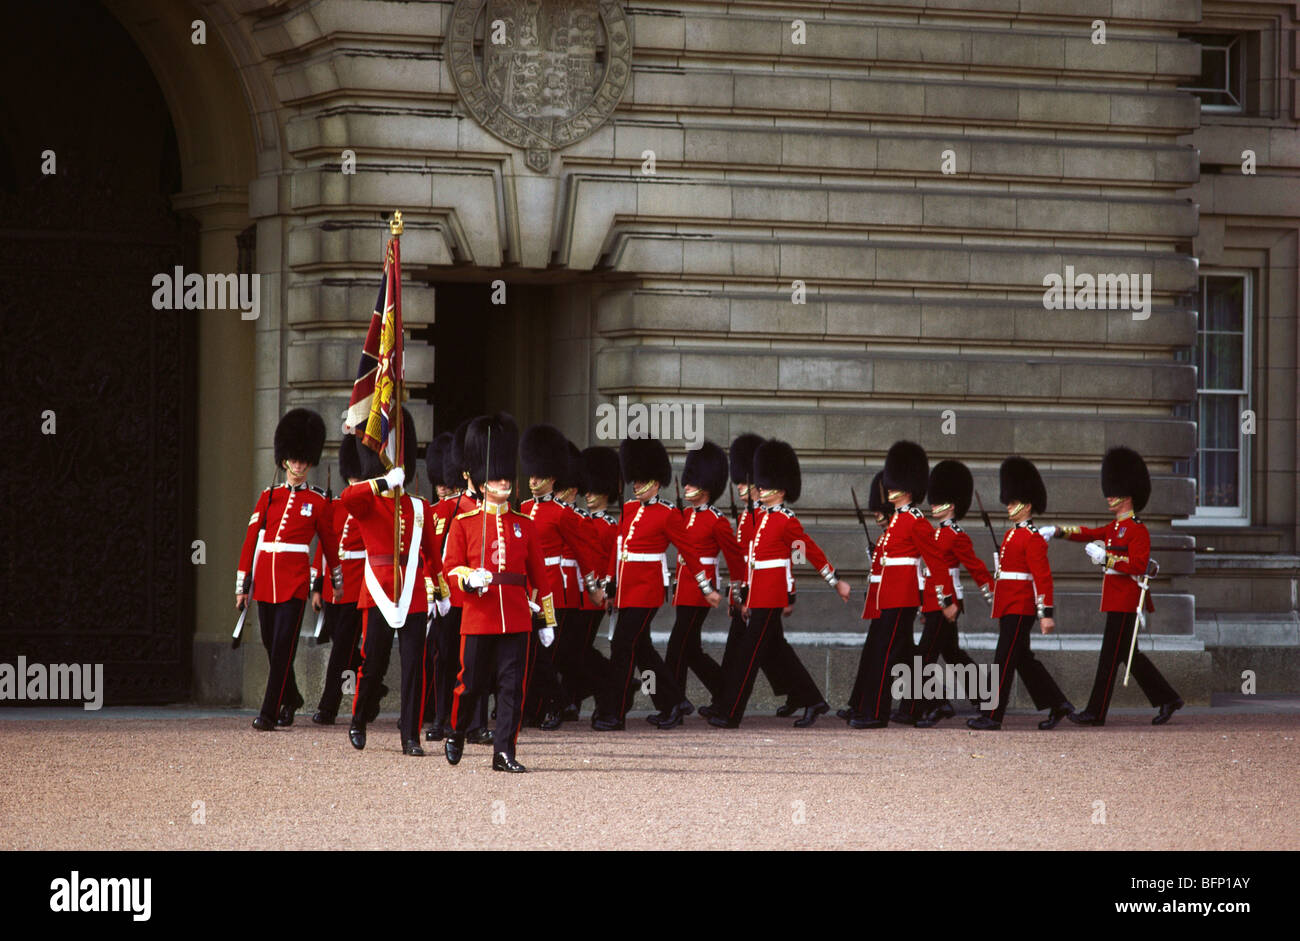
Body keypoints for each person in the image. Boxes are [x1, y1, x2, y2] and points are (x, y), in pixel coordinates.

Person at [442, 413, 558, 773]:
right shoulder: (464, 523)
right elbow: (451, 566)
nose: (503, 481)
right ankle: (456, 731)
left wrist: (545, 620)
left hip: (518, 616)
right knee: (471, 683)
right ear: (480, 479)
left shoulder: (525, 525)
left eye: (507, 475)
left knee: (512, 687)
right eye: (495, 476)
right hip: (480, 614)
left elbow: (541, 578)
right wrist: (468, 579)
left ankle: (504, 751)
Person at [708, 439, 848, 728]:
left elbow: (803, 554)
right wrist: (743, 594)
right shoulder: (760, 517)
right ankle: (812, 699)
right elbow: (750, 559)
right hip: (758, 593)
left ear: (781, 490)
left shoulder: (787, 521)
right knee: (775, 652)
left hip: (771, 596)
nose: (759, 489)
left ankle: (730, 714)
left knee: (748, 656)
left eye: (766, 486)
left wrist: (833, 582)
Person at [1047, 446, 1183, 726]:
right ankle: (1168, 698)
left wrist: (1106, 557)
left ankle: (1095, 713)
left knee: (1110, 659)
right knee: (1128, 657)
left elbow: (1137, 565)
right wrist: (1059, 531)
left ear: (1128, 494)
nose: (1108, 495)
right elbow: (1088, 532)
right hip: (1115, 601)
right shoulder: (1114, 527)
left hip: (1127, 601)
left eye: (1114, 490)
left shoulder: (1138, 530)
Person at [591, 437, 715, 731]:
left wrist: (705, 587)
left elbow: (689, 551)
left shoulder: (669, 513)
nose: (636, 486)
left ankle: (615, 712)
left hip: (647, 591)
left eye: (643, 480)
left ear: (656, 483)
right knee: (642, 649)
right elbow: (618, 549)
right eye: (635, 480)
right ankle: (672, 703)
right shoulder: (630, 509)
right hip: (625, 589)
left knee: (623, 646)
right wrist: (609, 585)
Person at [339, 408, 438, 755]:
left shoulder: (420, 506)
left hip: (413, 592)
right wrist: (381, 481)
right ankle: (359, 718)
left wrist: (439, 589)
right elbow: (347, 498)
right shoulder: (367, 503)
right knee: (374, 663)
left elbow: (432, 553)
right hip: (379, 590)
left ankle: (410, 735)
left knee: (414, 665)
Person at [236, 408, 339, 731]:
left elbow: (330, 544)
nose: (298, 465)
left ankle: (268, 712)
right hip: (265, 580)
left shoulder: (319, 502)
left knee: (283, 647)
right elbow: (250, 541)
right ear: (284, 461)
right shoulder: (268, 497)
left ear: (309, 462)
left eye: (303, 460)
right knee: (270, 643)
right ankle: (291, 697)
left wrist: (329, 581)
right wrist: (243, 585)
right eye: (294, 459)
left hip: (294, 582)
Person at [845, 441, 956, 729]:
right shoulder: (897, 522)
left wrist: (945, 600)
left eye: (895, 485)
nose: (889, 489)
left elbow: (936, 563)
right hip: (887, 596)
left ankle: (876, 713)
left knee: (886, 654)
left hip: (903, 597)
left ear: (908, 488)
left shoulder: (916, 522)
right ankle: (889, 706)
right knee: (888, 653)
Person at [968, 457, 1075, 731]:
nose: (1008, 506)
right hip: (1009, 604)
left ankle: (992, 716)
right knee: (1023, 660)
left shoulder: (1033, 537)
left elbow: (1042, 577)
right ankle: (1057, 703)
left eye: (1013, 502)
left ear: (1026, 506)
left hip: (1021, 606)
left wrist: (1046, 614)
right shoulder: (1013, 535)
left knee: (1003, 660)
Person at [519, 425, 606, 729]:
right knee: (527, 655)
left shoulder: (562, 513)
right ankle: (532, 708)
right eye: (531, 475)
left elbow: (584, 553)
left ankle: (553, 705)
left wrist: (593, 589)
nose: (533, 481)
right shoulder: (523, 509)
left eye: (539, 477)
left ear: (552, 478)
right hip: (525, 590)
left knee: (547, 655)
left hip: (551, 592)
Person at [662, 440, 747, 719]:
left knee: (677, 646)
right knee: (691, 649)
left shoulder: (717, 521)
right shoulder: (684, 515)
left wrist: (737, 596)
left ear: (706, 485)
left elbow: (736, 561)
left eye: (691, 482)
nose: (686, 486)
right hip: (684, 586)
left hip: (702, 590)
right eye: (686, 482)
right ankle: (725, 692)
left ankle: (673, 705)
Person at [910, 460, 996, 727]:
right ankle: (986, 698)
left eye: (939, 502)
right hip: (934, 603)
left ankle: (935, 706)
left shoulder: (957, 536)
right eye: (933, 502)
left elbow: (976, 567)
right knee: (953, 654)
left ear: (952, 505)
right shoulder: (936, 534)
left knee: (923, 657)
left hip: (947, 604)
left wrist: (993, 595)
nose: (933, 507)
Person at [312, 431, 378, 725]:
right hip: (332, 587)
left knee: (342, 651)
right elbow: (325, 547)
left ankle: (328, 707)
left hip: (357, 587)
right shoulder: (335, 505)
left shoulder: (371, 508)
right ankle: (375, 688)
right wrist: (317, 584)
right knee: (346, 649)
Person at [569, 445, 621, 716]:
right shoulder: (581, 520)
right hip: (578, 594)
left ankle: (606, 685)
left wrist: (606, 591)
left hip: (595, 596)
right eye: (586, 489)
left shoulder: (610, 526)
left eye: (594, 490)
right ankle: (577, 698)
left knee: (578, 650)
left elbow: (611, 563)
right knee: (575, 651)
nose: (588, 495)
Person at [839, 470, 891, 721]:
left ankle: (874, 710)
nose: (877, 517)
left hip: (898, 601)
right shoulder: (886, 536)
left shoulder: (909, 525)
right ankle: (860, 703)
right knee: (875, 652)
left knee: (884, 654)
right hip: (882, 600)